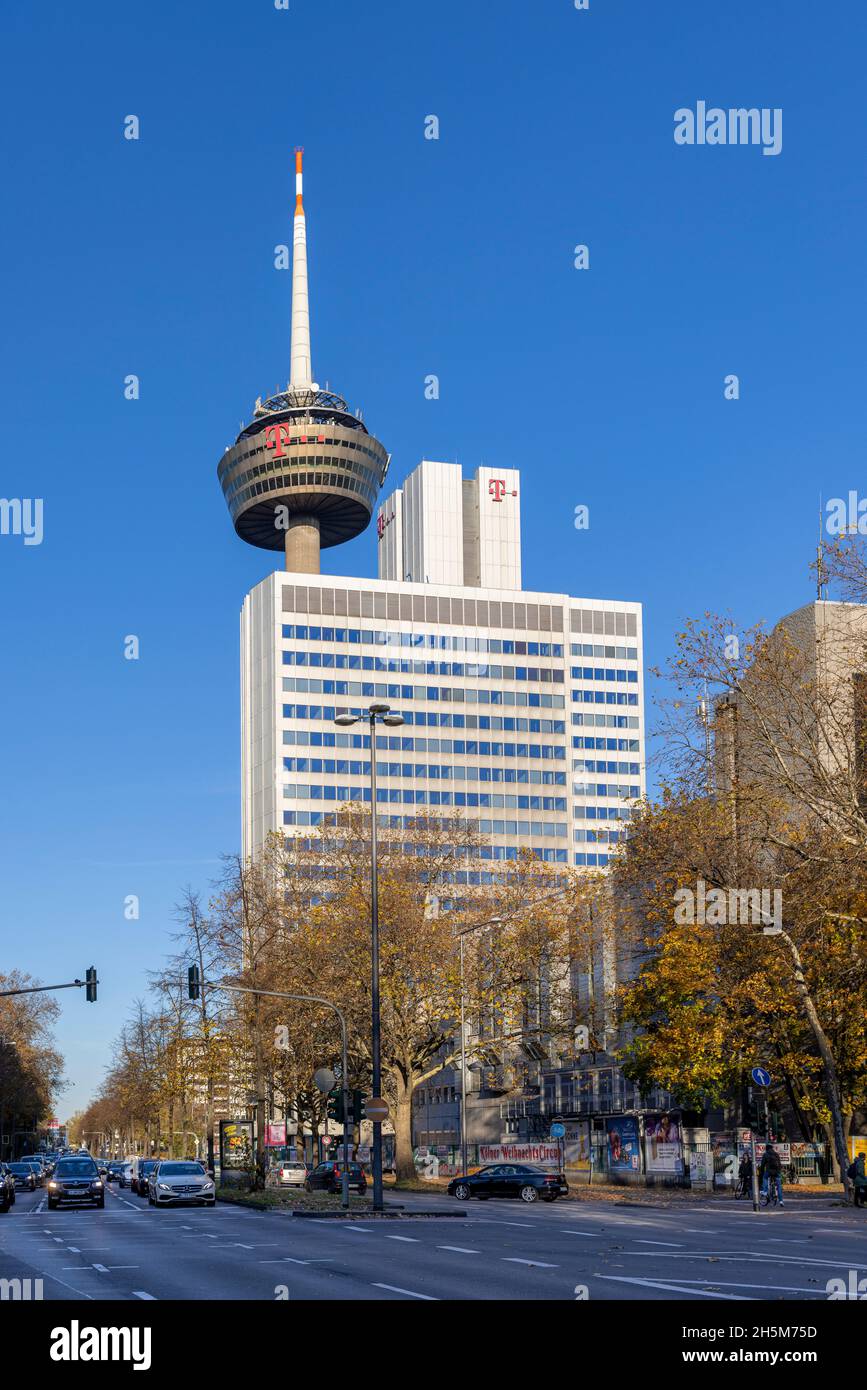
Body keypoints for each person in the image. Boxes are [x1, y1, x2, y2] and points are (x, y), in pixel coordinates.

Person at [759, 1142, 783, 1207]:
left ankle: (765, 1191)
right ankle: (781, 1201)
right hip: (777, 1172)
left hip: (769, 1171)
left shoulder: (766, 1154)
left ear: (766, 1148)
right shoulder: (776, 1154)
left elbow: (762, 1165)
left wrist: (761, 1172)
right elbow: (780, 1164)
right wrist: (779, 1171)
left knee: (765, 1177)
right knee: (779, 1186)